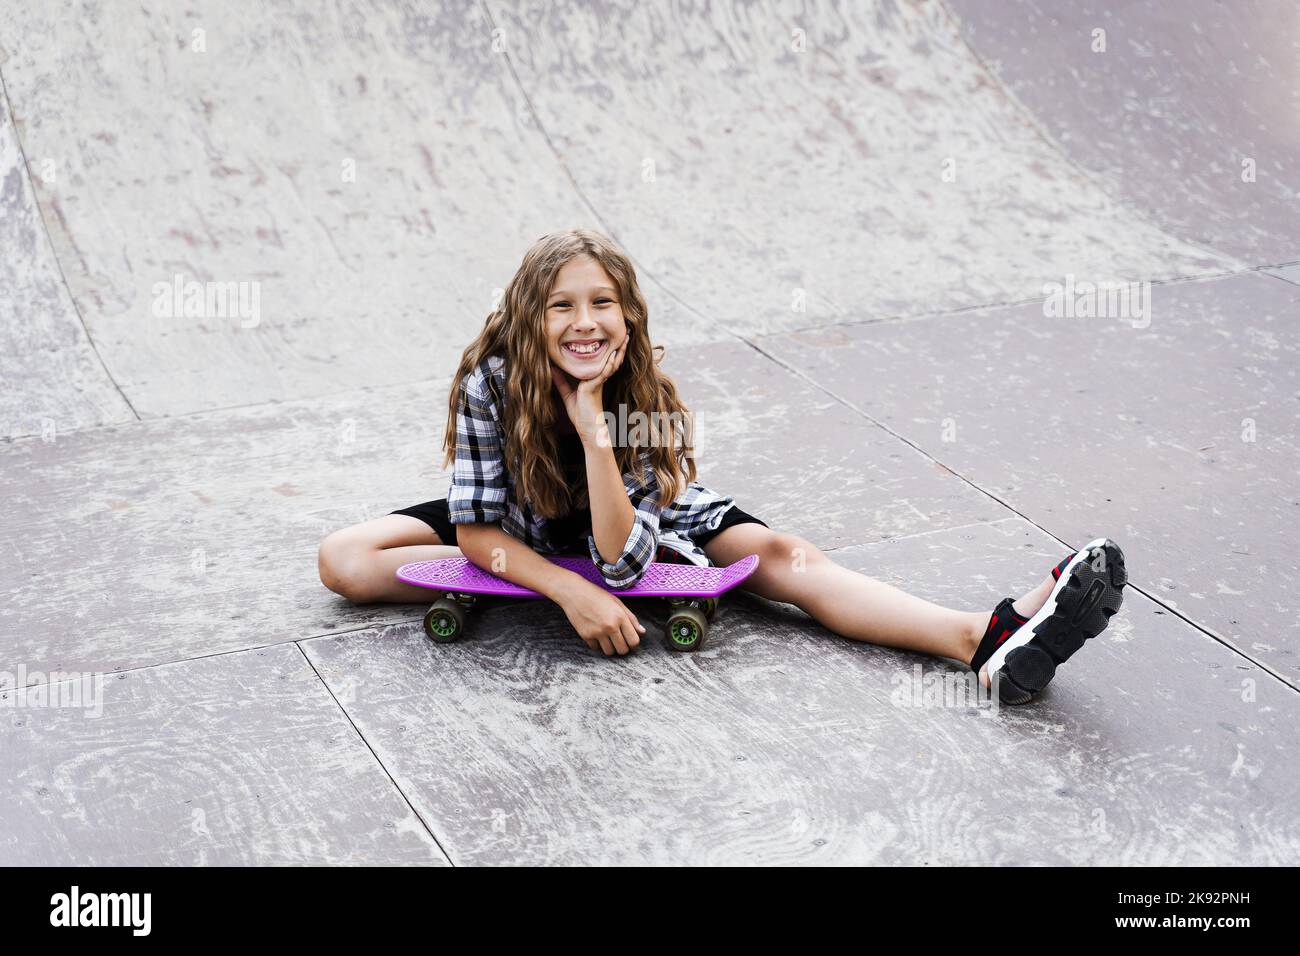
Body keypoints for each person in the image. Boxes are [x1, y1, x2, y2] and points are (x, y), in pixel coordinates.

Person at [318, 229, 1127, 703]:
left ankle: (984, 640)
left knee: (783, 558)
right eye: (561, 305)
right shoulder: (490, 384)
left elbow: (625, 560)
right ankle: (531, 573)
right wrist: (561, 588)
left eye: (601, 302)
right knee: (344, 561)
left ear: (627, 315)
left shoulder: (637, 392)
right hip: (517, 516)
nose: (583, 322)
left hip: (634, 516)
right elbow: (477, 532)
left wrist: (597, 434)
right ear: (532, 318)